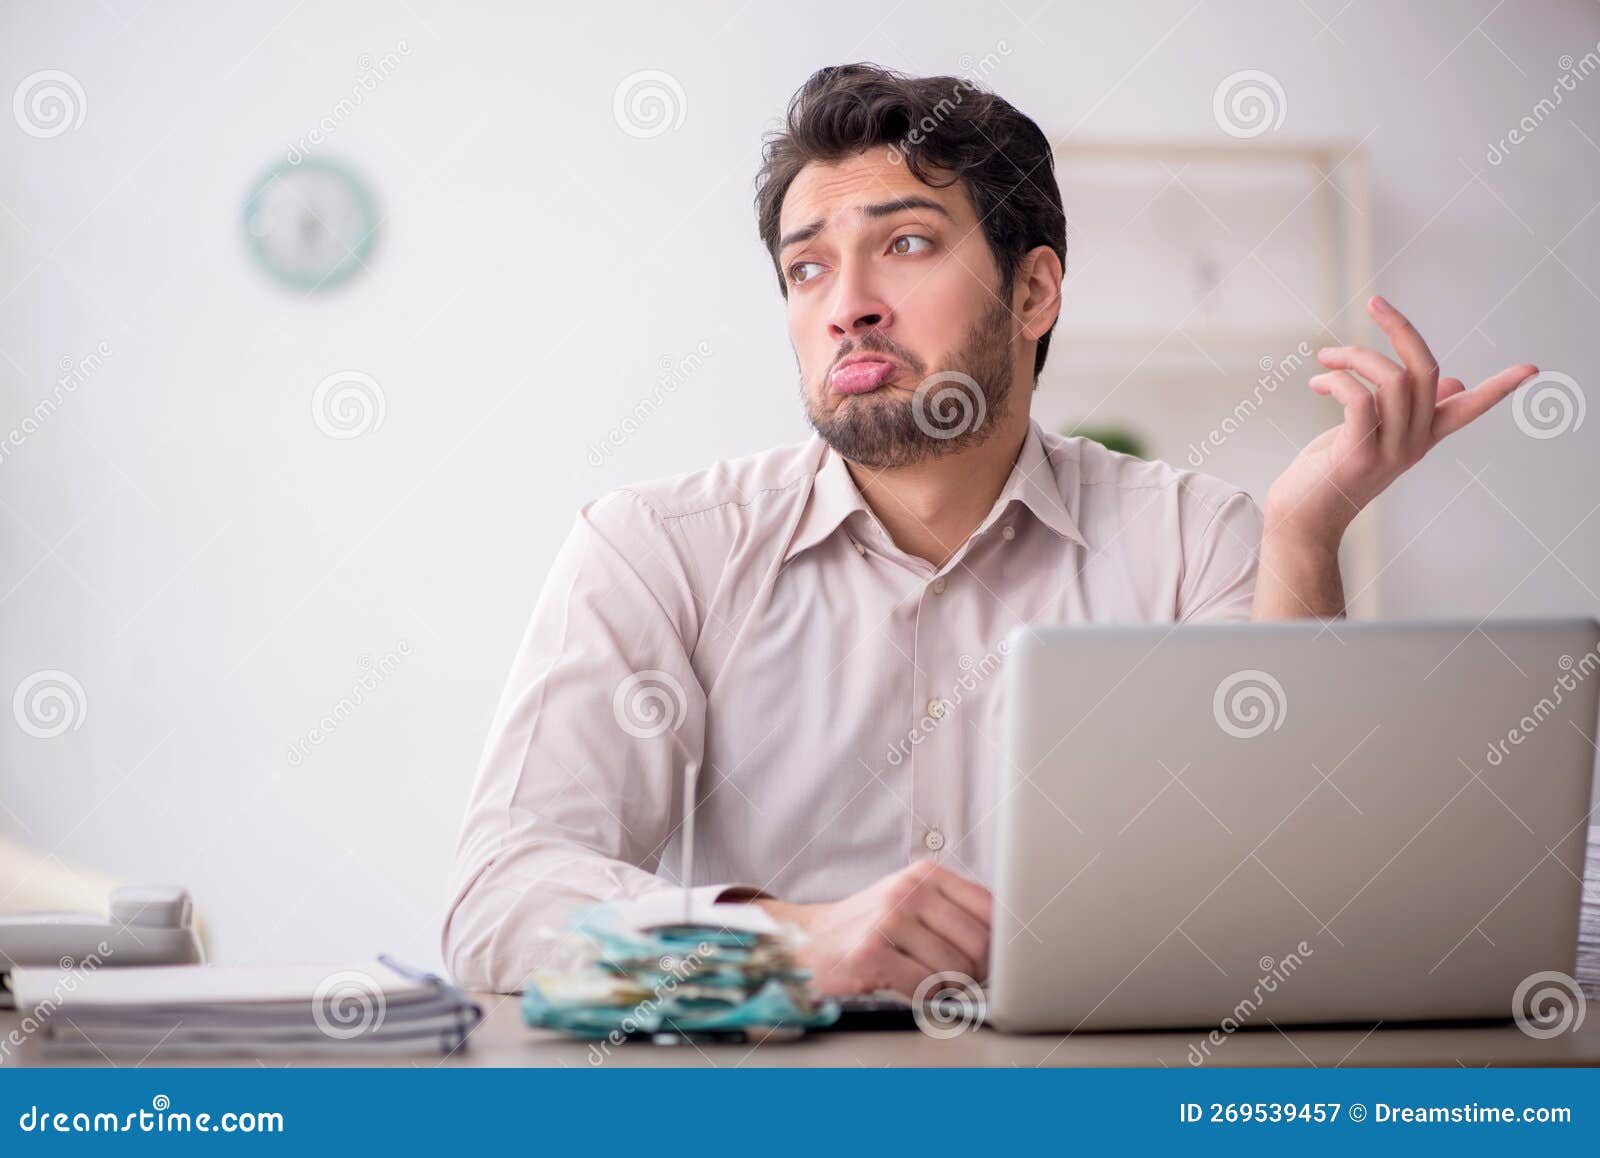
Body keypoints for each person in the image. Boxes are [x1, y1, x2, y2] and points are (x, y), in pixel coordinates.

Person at [441, 63, 1537, 995]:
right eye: (806, 266)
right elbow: (500, 899)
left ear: (1034, 292)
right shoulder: (657, 549)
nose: (847, 303)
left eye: (905, 244)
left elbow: (1297, 905)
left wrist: (1306, 532)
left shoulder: (1197, 540)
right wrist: (783, 939)